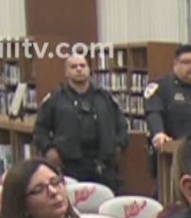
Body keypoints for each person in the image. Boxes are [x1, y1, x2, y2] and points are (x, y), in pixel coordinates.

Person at [32, 54, 129, 192]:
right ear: (66, 72)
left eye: (82, 66)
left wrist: (119, 145)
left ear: (89, 70)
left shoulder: (104, 97)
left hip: (104, 166)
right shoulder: (56, 99)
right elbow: (40, 130)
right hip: (70, 166)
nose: (79, 69)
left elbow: (122, 125)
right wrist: (49, 149)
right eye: (73, 66)